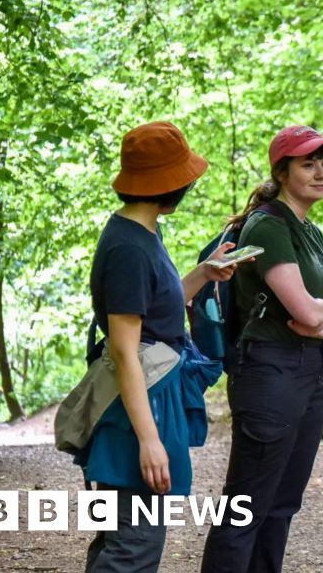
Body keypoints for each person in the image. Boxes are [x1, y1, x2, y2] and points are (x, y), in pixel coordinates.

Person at [85, 121, 239, 572]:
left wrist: (203, 274)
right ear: (172, 185)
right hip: (137, 408)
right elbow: (124, 350)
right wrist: (150, 441)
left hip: (151, 397)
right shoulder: (129, 249)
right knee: (134, 546)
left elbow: (157, 308)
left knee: (121, 540)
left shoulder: (144, 232)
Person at [201, 125, 323, 573]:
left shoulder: (311, 231)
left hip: (308, 370)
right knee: (245, 506)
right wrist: (322, 318)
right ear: (282, 172)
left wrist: (322, 323)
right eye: (309, 163)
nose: (321, 172)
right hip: (268, 372)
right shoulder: (267, 223)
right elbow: (308, 312)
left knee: (283, 503)